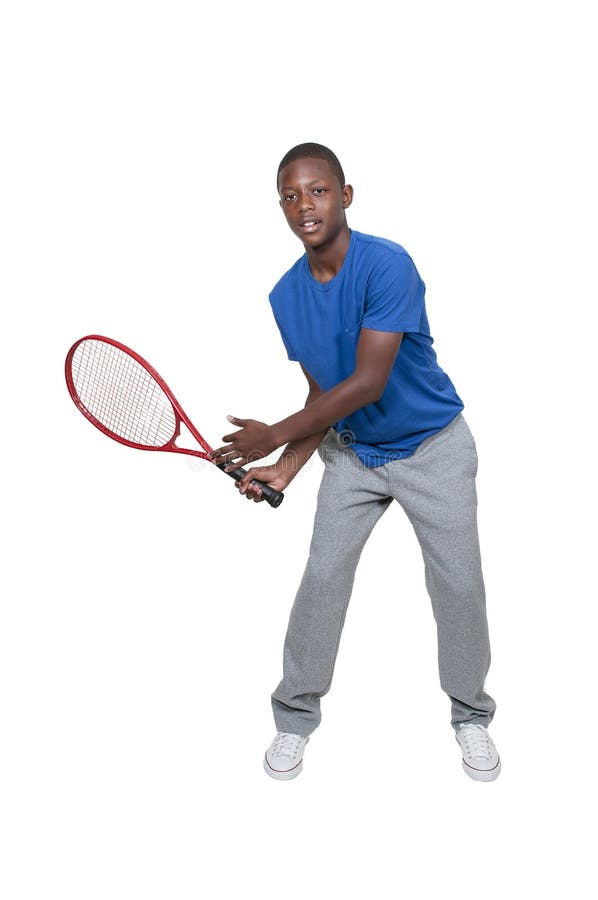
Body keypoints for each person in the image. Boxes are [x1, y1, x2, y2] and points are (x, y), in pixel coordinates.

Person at [209, 142, 500, 782]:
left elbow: (369, 380)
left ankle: (471, 715)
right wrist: (285, 466)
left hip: (433, 447)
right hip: (353, 454)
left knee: (459, 585)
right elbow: (325, 392)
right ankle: (294, 719)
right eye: (290, 195)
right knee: (322, 582)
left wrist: (272, 435)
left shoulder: (387, 264)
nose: (304, 205)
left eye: (317, 190)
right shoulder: (286, 297)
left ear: (346, 195)